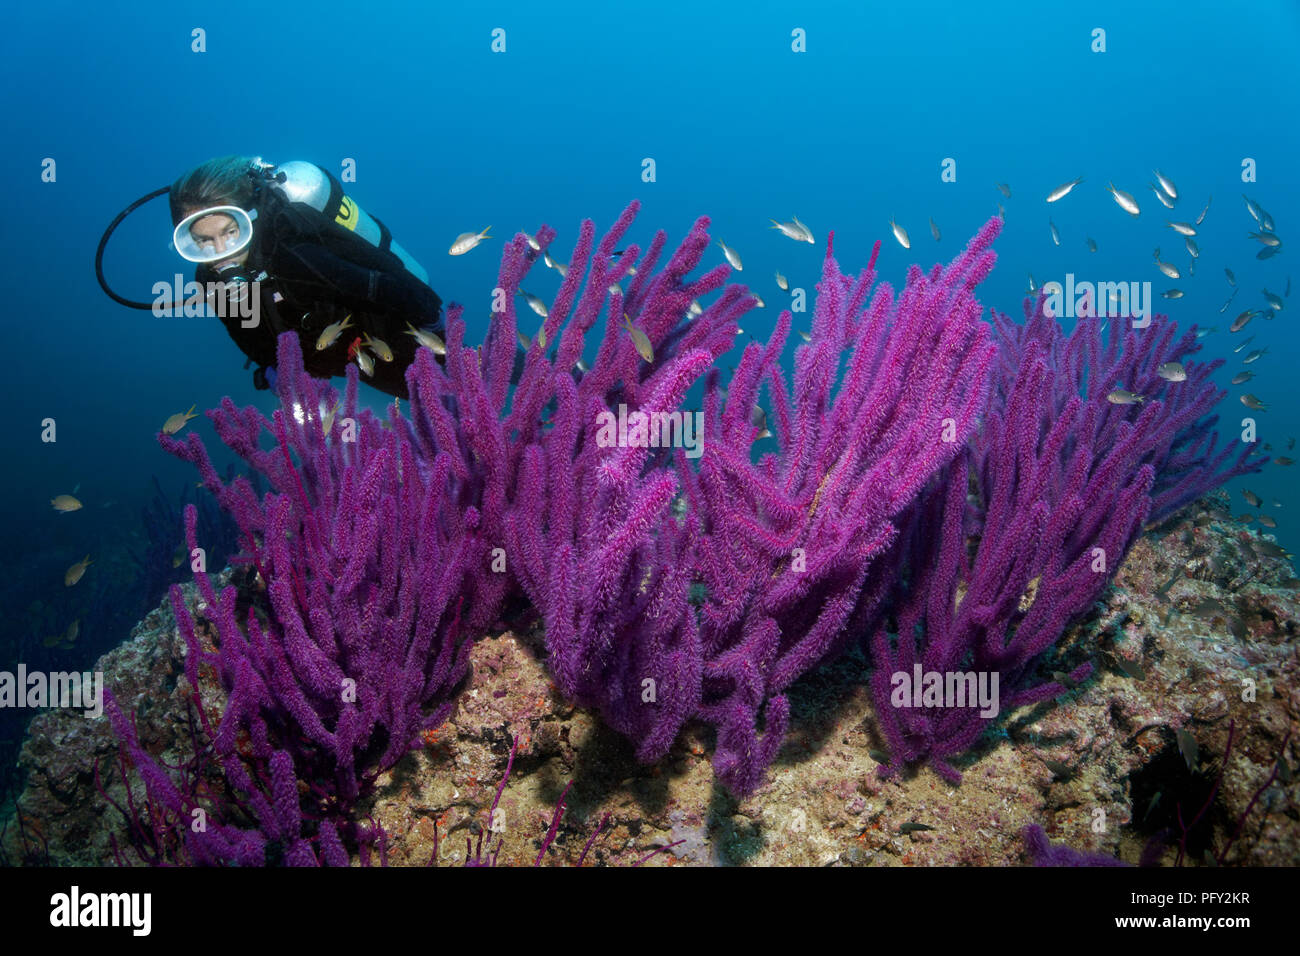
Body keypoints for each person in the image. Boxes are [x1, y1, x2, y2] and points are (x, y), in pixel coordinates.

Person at [168, 156, 443, 398]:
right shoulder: (211, 280)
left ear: (250, 219)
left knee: (455, 404)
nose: (220, 253)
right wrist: (276, 374)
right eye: (202, 241)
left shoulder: (295, 253)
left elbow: (392, 287)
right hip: (340, 360)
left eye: (231, 233)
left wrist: (438, 331)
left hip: (394, 338)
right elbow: (255, 345)